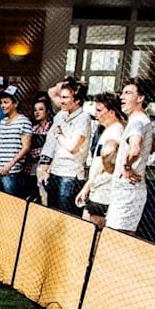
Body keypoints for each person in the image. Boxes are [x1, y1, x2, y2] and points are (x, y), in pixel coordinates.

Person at [105, 77, 155, 236]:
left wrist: (127, 166)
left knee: (117, 237)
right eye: (123, 93)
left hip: (128, 189)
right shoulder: (142, 120)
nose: (122, 97)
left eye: (128, 93)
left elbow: (135, 149)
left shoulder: (137, 122)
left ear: (140, 98)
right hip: (127, 190)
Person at [75, 92, 123, 229]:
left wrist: (104, 168)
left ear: (112, 112)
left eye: (100, 110)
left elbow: (109, 155)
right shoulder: (107, 131)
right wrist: (87, 187)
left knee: (92, 230)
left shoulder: (116, 131)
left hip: (104, 192)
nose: (96, 114)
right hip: (96, 188)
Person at [41, 78, 90, 211]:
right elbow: (60, 149)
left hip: (70, 174)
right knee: (51, 210)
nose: (61, 101)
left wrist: (58, 135)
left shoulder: (83, 118)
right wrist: (49, 170)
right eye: (61, 97)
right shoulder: (62, 115)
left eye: (66, 97)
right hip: (56, 171)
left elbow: (73, 147)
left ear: (77, 100)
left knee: (64, 212)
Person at [0, 86, 32, 197]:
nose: (3, 105)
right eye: (1, 102)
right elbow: (0, 145)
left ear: (15, 103)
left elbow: (26, 147)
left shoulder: (24, 121)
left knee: (12, 202)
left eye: (6, 102)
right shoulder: (3, 122)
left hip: (12, 172)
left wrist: (10, 164)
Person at [22, 95, 52, 202]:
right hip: (30, 168)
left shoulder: (51, 128)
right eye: (35, 110)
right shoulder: (32, 128)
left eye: (40, 109)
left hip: (44, 168)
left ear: (47, 111)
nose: (37, 112)